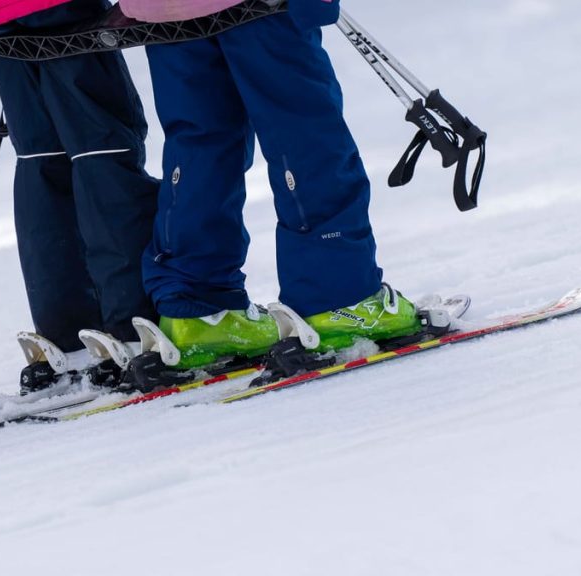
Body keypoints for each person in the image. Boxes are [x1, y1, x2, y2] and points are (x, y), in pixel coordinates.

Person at [116, 0, 427, 370]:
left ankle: (199, 311)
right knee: (303, 132)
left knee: (199, 145)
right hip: (257, 8)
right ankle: (340, 298)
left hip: (165, 9)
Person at [0, 0, 160, 389]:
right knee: (101, 149)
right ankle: (135, 329)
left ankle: (70, 338)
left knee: (41, 155)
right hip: (53, 6)